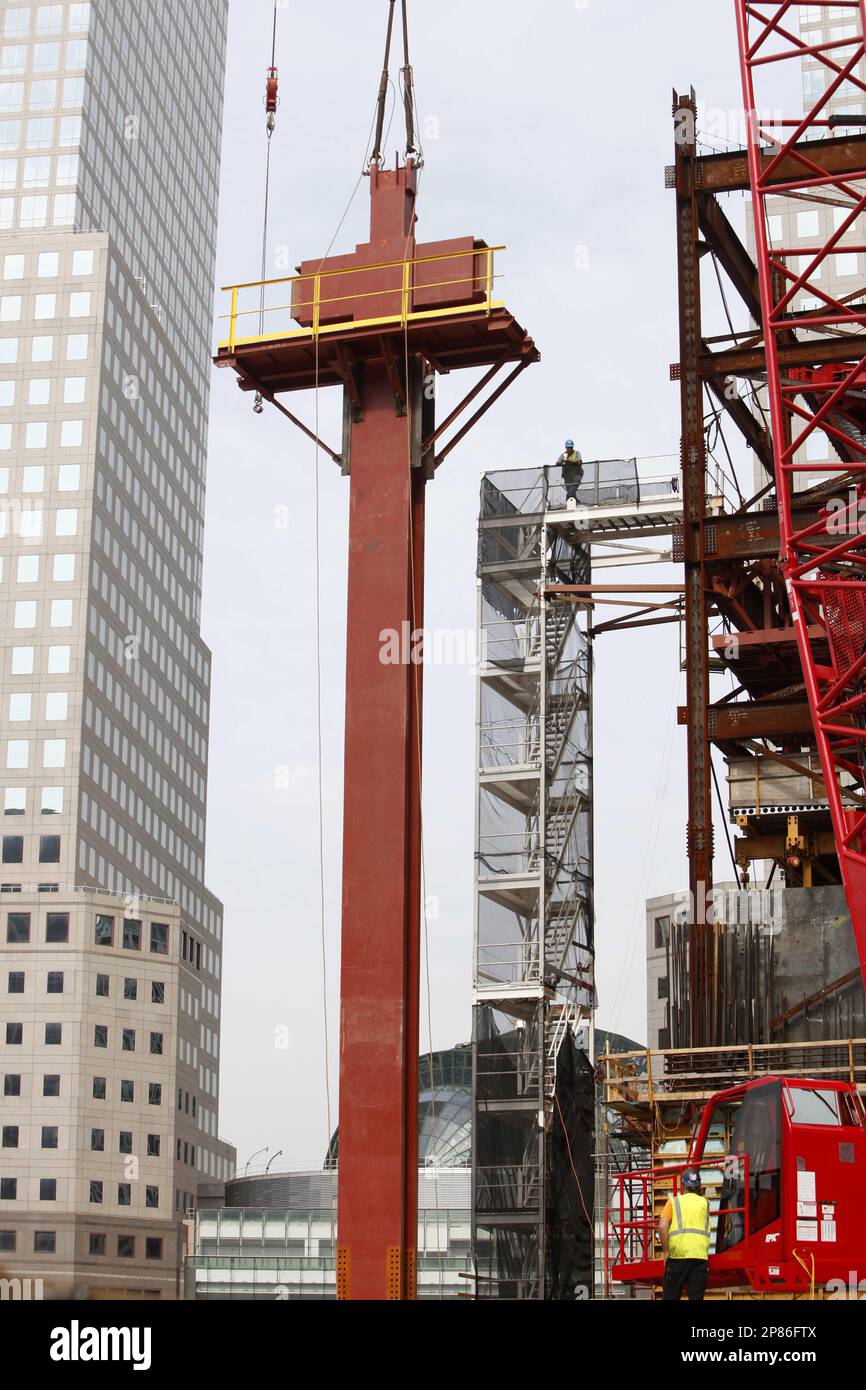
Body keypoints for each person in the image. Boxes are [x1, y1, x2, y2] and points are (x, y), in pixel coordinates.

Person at [658, 1168, 711, 1302]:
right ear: (699, 1186)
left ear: (683, 1186)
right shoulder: (705, 1203)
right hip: (699, 1257)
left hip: (677, 1257)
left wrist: (665, 1252)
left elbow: (663, 1226)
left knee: (670, 1297)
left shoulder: (673, 1202)